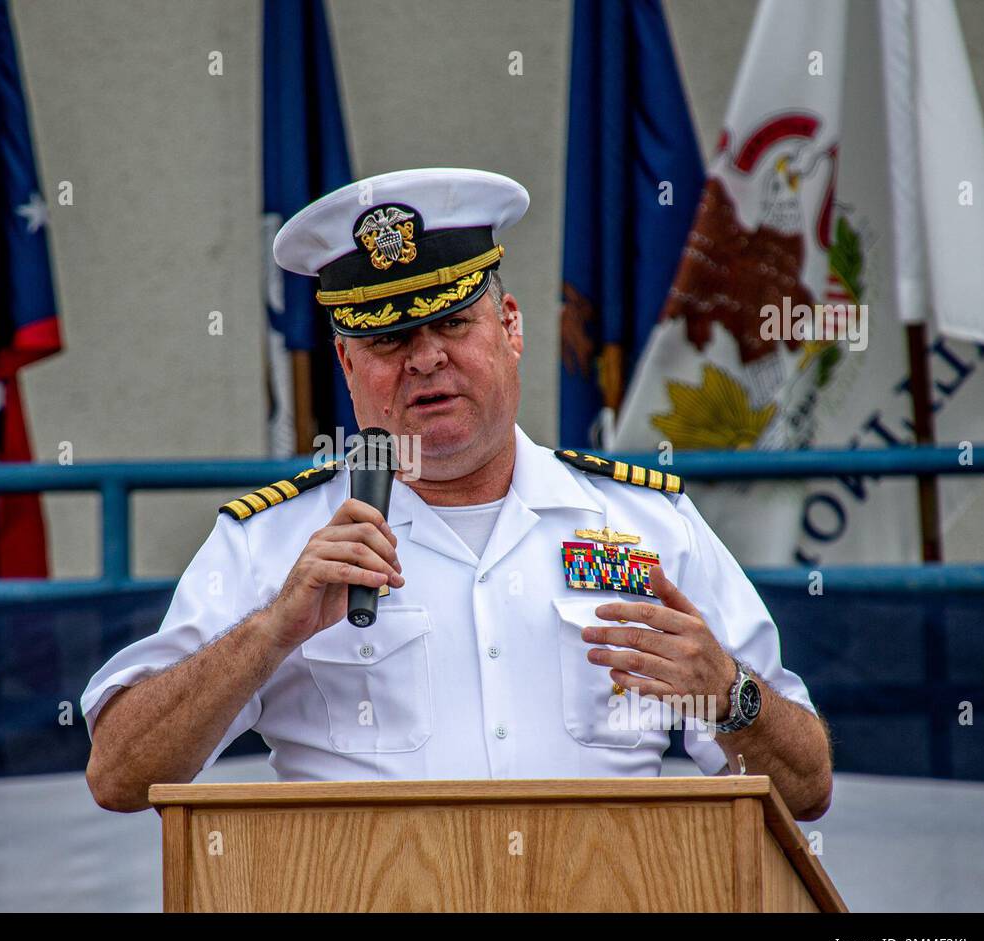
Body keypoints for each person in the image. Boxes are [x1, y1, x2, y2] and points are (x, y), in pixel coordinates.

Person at [83, 168, 832, 818]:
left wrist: (729, 696)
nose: (426, 359)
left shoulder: (647, 524)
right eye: (388, 339)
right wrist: (272, 629)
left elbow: (805, 790)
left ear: (510, 327)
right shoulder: (270, 545)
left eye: (451, 323)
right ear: (346, 362)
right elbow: (120, 774)